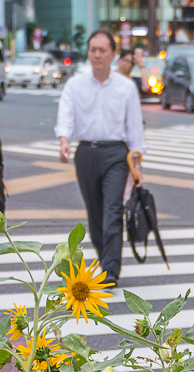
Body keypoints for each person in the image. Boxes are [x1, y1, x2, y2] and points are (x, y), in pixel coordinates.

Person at [56, 26, 145, 284]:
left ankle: (110, 271)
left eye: (102, 50)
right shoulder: (75, 84)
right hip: (86, 153)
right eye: (93, 50)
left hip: (117, 154)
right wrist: (64, 139)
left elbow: (135, 127)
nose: (97, 55)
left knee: (113, 210)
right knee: (94, 213)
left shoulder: (126, 87)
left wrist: (137, 164)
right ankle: (105, 259)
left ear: (113, 54)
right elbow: (66, 113)